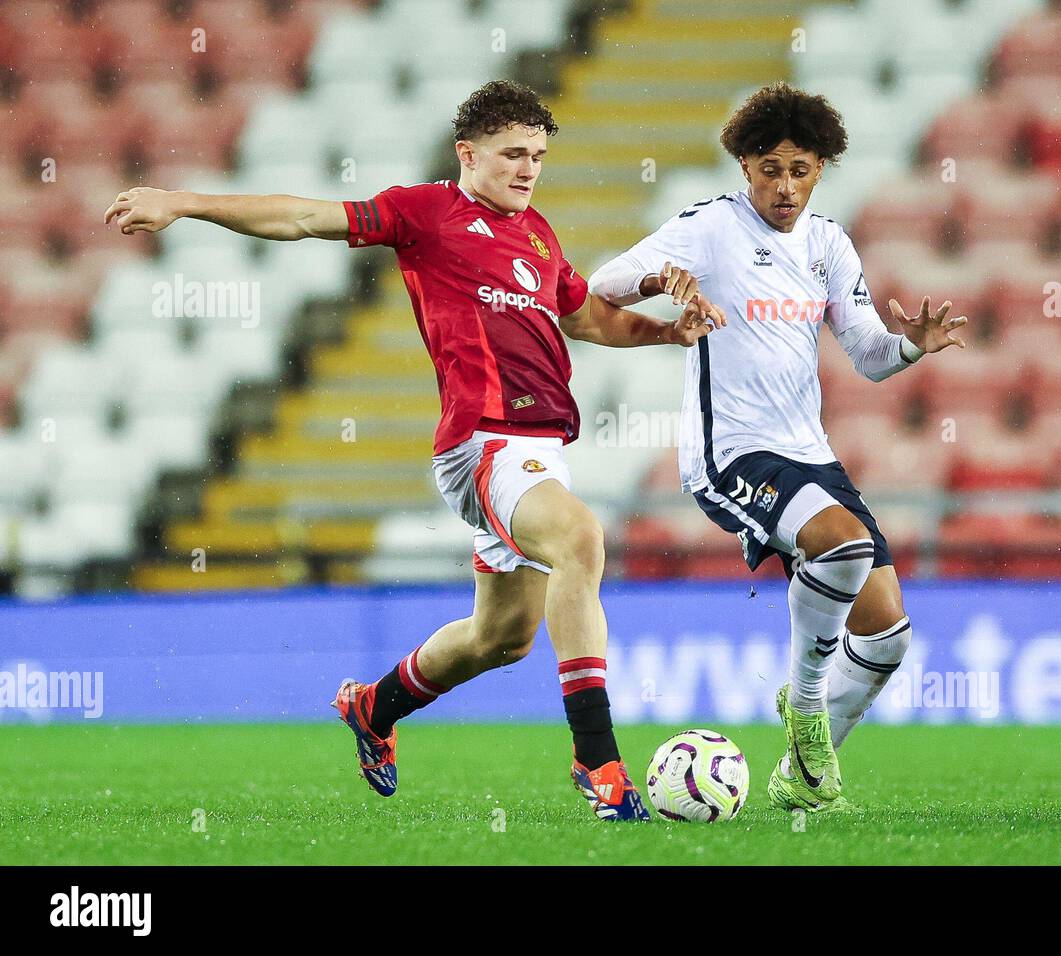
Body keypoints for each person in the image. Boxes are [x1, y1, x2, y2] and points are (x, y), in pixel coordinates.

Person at [105, 79, 724, 822]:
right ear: (468, 153)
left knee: (502, 639)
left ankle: (375, 705)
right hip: (485, 443)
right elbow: (304, 218)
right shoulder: (427, 212)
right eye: (512, 155)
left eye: (538, 156)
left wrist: (665, 330)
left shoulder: (536, 234)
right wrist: (184, 201)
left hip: (537, 451)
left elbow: (586, 314)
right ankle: (599, 760)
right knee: (581, 537)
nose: (528, 169)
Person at [589, 82, 967, 812]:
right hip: (729, 451)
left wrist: (910, 347)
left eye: (801, 168)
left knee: (888, 639)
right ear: (744, 166)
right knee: (844, 549)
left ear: (822, 167)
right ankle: (808, 712)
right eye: (770, 169)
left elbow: (866, 354)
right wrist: (661, 280)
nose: (786, 186)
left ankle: (799, 768)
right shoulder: (708, 229)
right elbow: (603, 285)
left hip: (809, 454)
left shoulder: (829, 244)